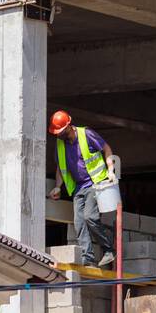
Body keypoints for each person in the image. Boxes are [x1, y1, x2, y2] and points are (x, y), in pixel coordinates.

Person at [47, 110, 117, 267]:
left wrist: (111, 170)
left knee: (89, 217)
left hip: (95, 182)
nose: (57, 135)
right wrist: (58, 186)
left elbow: (106, 148)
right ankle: (88, 258)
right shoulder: (60, 144)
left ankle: (109, 249)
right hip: (78, 188)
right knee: (79, 223)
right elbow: (60, 167)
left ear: (68, 126)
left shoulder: (86, 134)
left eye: (59, 131)